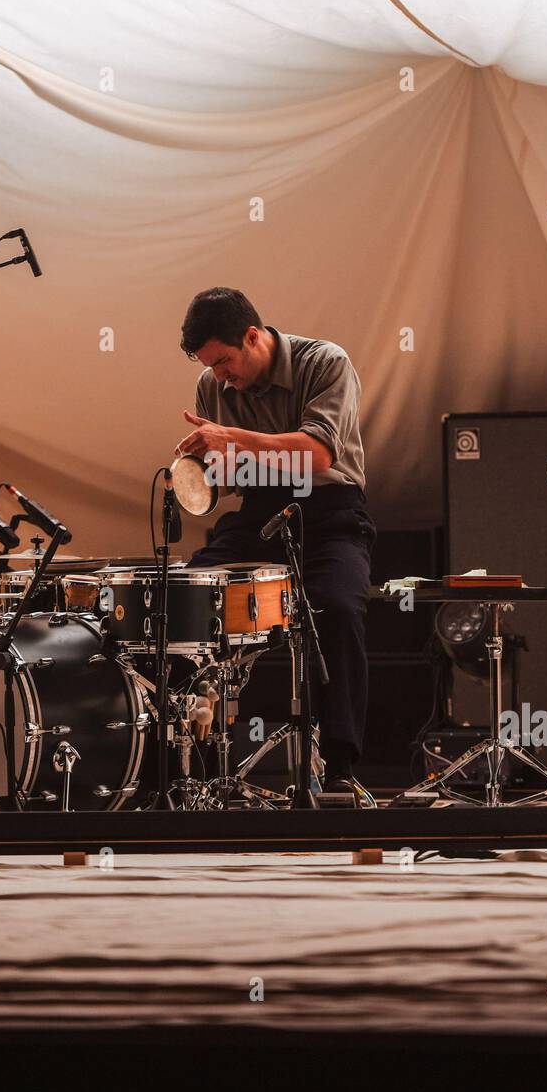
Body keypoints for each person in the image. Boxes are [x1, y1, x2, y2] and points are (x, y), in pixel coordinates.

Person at [176, 287, 377, 806]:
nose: (220, 377)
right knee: (185, 598)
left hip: (330, 511)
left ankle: (341, 768)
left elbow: (315, 457)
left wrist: (232, 439)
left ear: (252, 336)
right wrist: (198, 478)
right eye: (210, 367)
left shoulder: (325, 362)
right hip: (260, 511)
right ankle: (182, 760)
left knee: (337, 609)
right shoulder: (210, 384)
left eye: (224, 361)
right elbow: (225, 473)